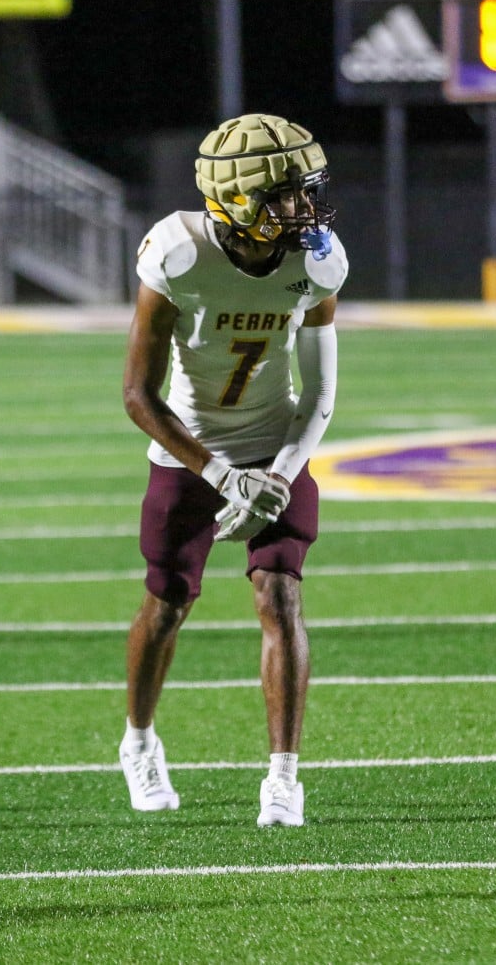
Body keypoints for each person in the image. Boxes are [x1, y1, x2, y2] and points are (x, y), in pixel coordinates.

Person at [118, 113, 348, 827]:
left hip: (277, 445)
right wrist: (221, 474)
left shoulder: (315, 260)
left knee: (280, 598)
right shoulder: (178, 253)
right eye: (283, 196)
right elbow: (138, 395)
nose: (302, 209)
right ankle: (139, 739)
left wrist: (276, 473)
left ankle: (283, 775)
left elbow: (320, 394)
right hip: (190, 450)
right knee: (167, 603)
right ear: (238, 200)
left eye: (304, 191)